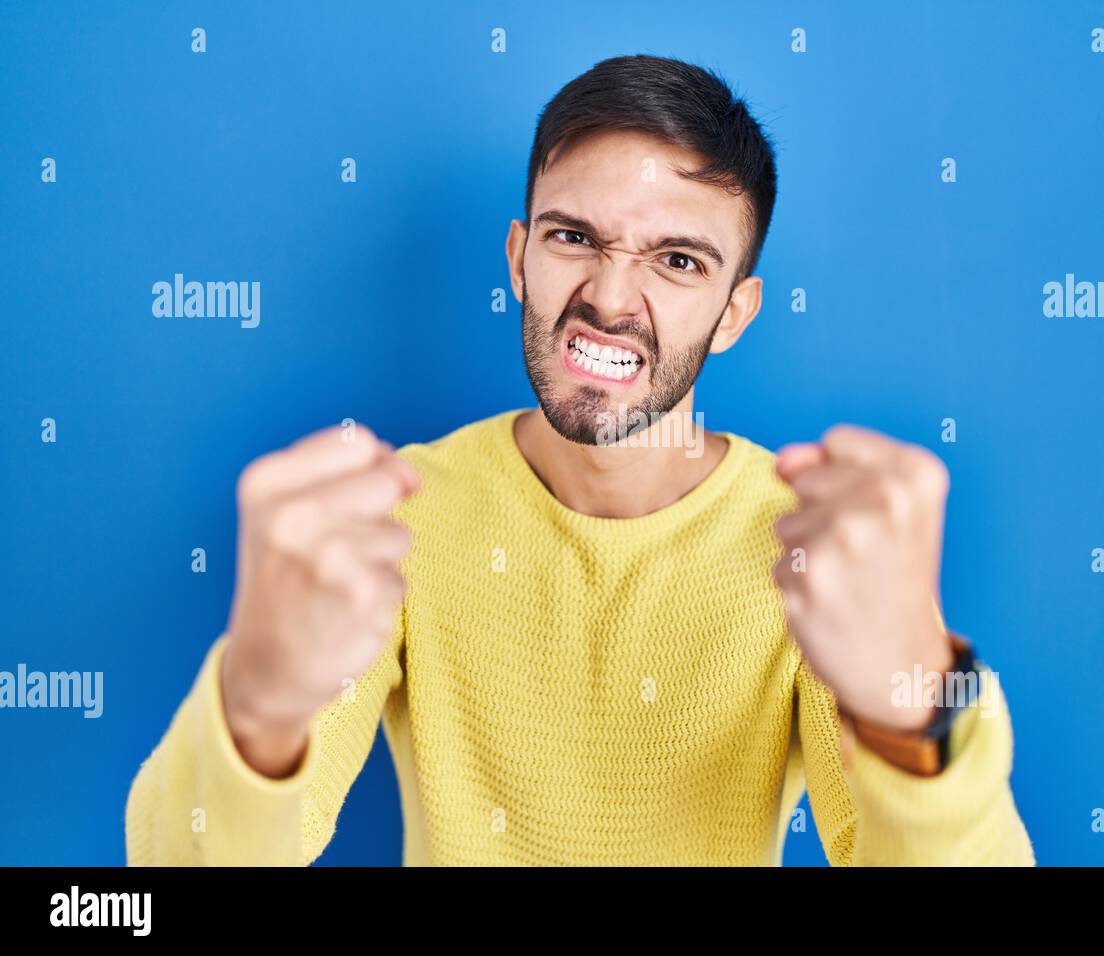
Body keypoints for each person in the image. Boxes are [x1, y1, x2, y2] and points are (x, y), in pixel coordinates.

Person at [125, 54, 1035, 866]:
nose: (608, 297)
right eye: (573, 238)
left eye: (677, 261)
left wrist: (921, 710)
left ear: (734, 312)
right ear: (520, 258)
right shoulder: (398, 516)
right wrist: (257, 705)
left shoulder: (808, 548)